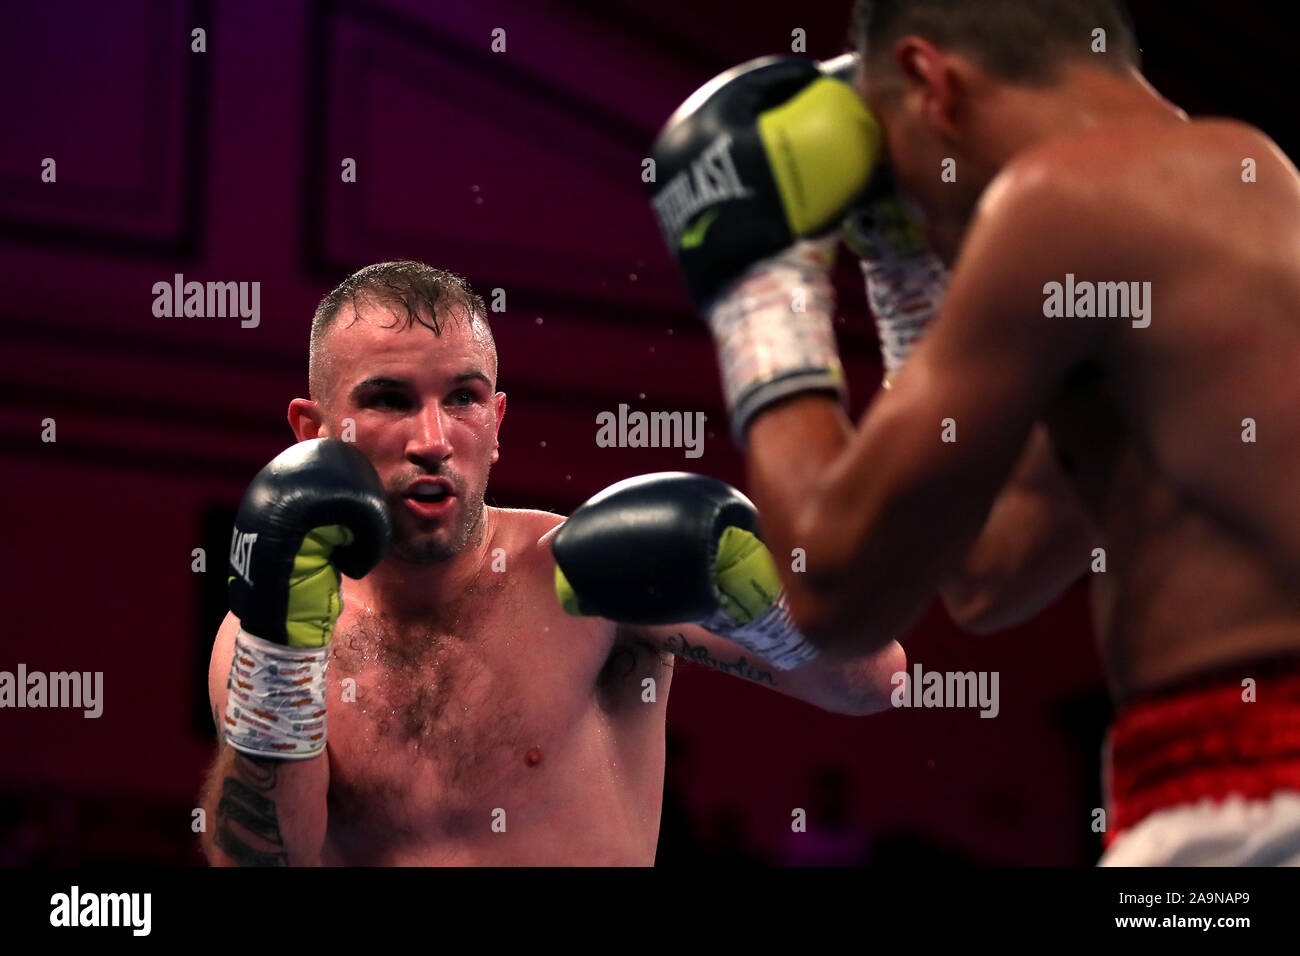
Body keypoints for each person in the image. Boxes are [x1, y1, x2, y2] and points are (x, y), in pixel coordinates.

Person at [649, 0, 1300, 864]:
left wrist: (761, 290)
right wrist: (909, 291)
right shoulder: (1239, 194)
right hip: (1222, 778)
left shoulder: (1062, 201)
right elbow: (987, 572)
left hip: (1256, 786)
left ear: (931, 84)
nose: (912, 213)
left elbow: (834, 591)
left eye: (896, 162)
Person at [198, 261, 905, 866]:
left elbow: (873, 683)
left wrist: (754, 596)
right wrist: (280, 655)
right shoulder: (264, 634)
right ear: (313, 433)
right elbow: (258, 861)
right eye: (390, 399)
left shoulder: (588, 577)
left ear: (496, 424)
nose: (434, 439)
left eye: (464, 398)